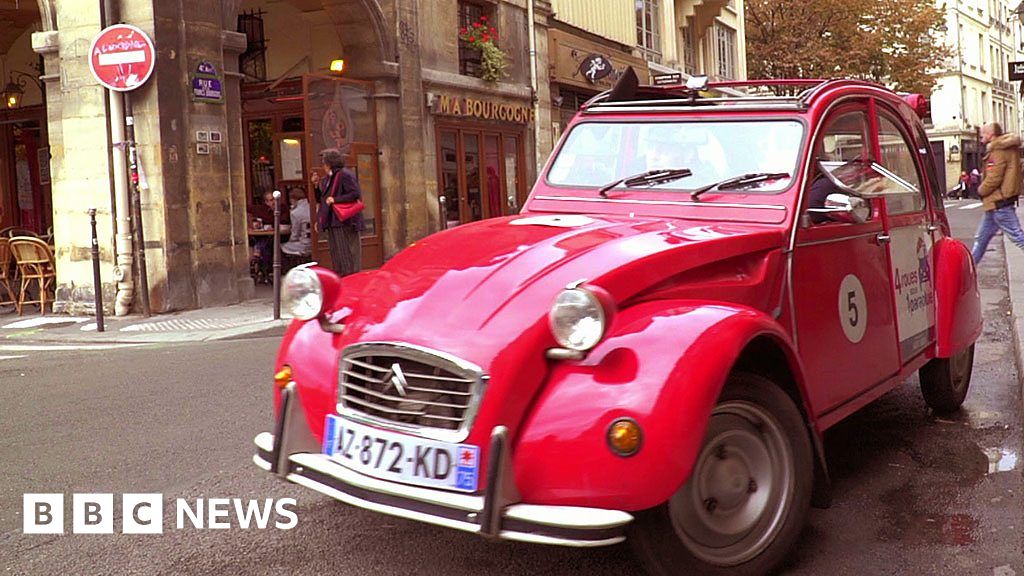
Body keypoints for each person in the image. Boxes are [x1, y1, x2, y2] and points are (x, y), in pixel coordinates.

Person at [971, 122, 1024, 263]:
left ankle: (968, 269)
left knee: (1017, 236)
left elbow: (994, 178)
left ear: (991, 135)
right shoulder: (1007, 148)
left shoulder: (998, 150)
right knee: (981, 239)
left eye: (983, 134)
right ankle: (968, 270)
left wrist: (980, 190)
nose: (981, 137)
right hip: (995, 205)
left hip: (999, 203)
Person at [312, 147, 363, 277]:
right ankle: (341, 276)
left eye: (324, 163)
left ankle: (350, 278)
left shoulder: (345, 175)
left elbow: (355, 193)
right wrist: (316, 186)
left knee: (347, 254)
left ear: (330, 163)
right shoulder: (327, 179)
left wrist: (336, 199)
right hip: (332, 220)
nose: (323, 166)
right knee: (337, 254)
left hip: (344, 220)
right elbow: (322, 199)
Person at [280, 186, 312, 271]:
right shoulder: (312, 207)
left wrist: (290, 239)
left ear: (292, 199)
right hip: (314, 244)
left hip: (304, 245)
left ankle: (287, 271)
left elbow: (295, 234)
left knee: (280, 247)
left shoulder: (295, 212)